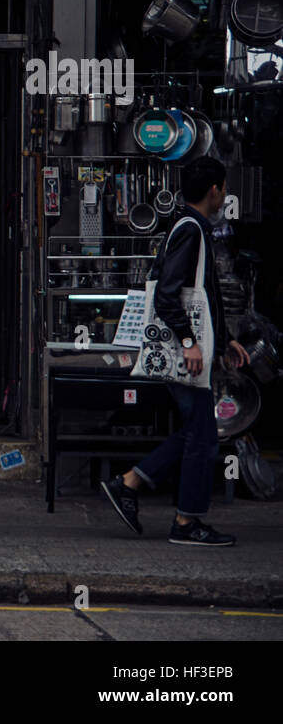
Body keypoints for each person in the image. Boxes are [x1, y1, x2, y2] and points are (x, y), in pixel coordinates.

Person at [100, 156, 249, 546]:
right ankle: (185, 522)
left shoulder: (191, 225)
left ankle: (130, 483)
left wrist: (225, 336)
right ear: (214, 190)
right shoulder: (190, 229)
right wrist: (189, 342)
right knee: (204, 438)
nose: (225, 196)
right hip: (185, 352)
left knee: (198, 433)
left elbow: (202, 293)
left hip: (193, 348)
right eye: (224, 189)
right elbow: (168, 295)